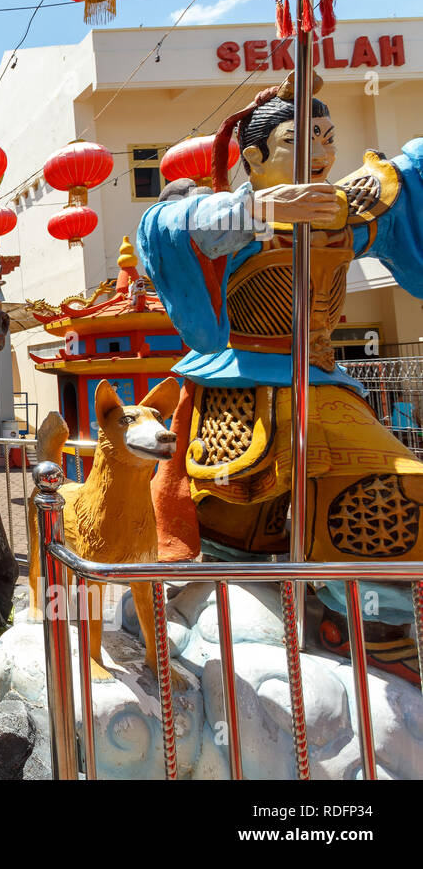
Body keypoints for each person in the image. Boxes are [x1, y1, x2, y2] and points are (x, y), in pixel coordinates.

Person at [137, 74, 423, 682]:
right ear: (253, 158)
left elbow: (408, 178)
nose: (320, 153)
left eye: (327, 137)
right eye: (299, 140)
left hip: (323, 381)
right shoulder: (231, 219)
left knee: (398, 484)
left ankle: (379, 625)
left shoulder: (341, 213)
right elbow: (162, 229)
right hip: (242, 379)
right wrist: (261, 207)